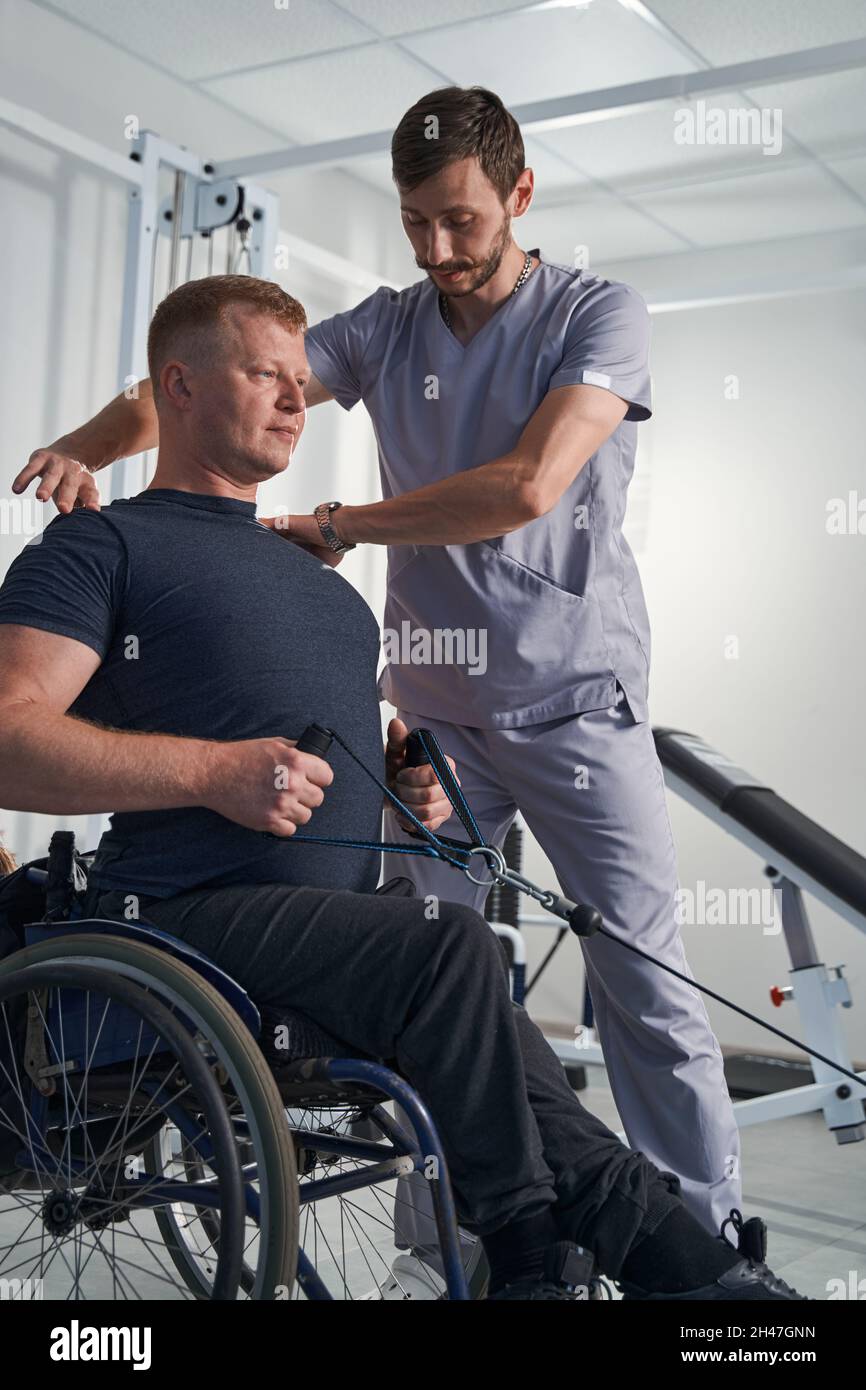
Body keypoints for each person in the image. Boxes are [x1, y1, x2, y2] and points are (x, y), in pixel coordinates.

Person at [14, 86, 740, 1236]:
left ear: (518, 196)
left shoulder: (596, 313)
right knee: (425, 986)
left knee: (643, 986)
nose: (436, 249)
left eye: (459, 220)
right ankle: (440, 1246)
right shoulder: (392, 326)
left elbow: (526, 487)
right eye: (414, 223)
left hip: (570, 705)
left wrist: (343, 524)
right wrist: (81, 447)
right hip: (432, 724)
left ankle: (698, 1236)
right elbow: (217, 374)